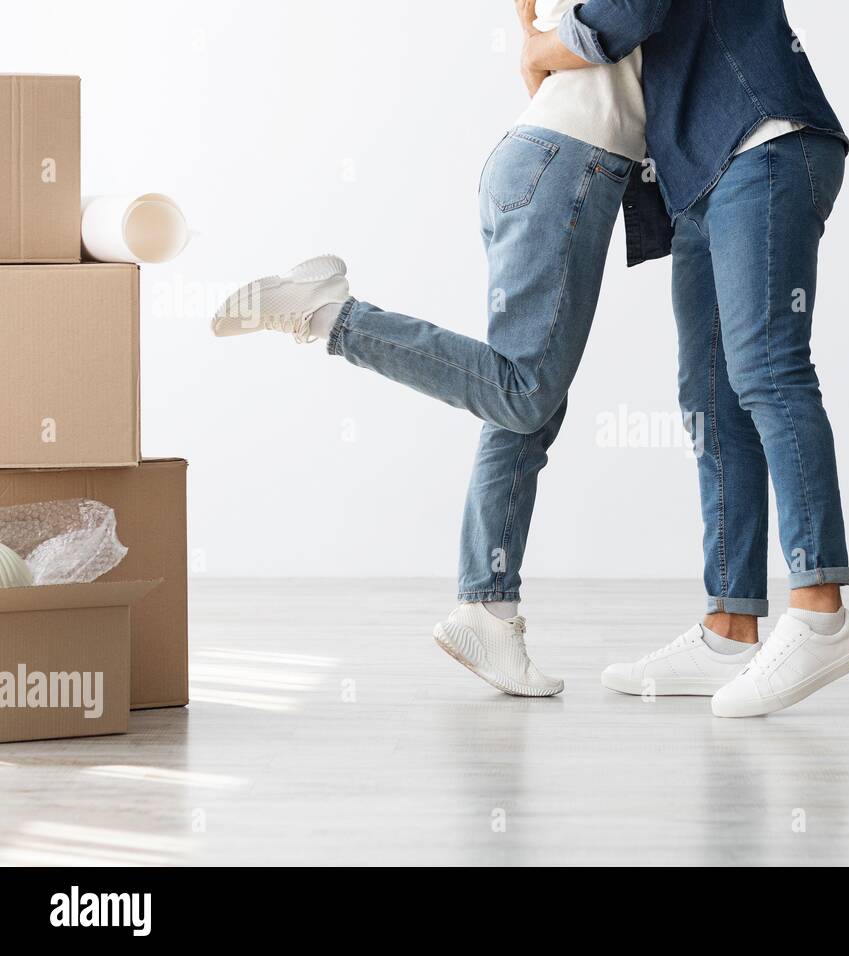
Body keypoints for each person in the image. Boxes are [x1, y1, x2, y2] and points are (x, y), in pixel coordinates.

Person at [211, 0, 645, 698]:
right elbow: (613, 28)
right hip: (569, 163)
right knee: (523, 390)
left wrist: (538, 51)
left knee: (527, 402)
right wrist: (544, 55)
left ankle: (489, 609)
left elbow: (543, 40)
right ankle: (330, 316)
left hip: (540, 157)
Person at [523, 0, 849, 717]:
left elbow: (626, 12)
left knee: (769, 370)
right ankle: (729, 627)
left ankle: (821, 612)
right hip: (704, 172)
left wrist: (535, 48)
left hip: (763, 140)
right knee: (712, 397)